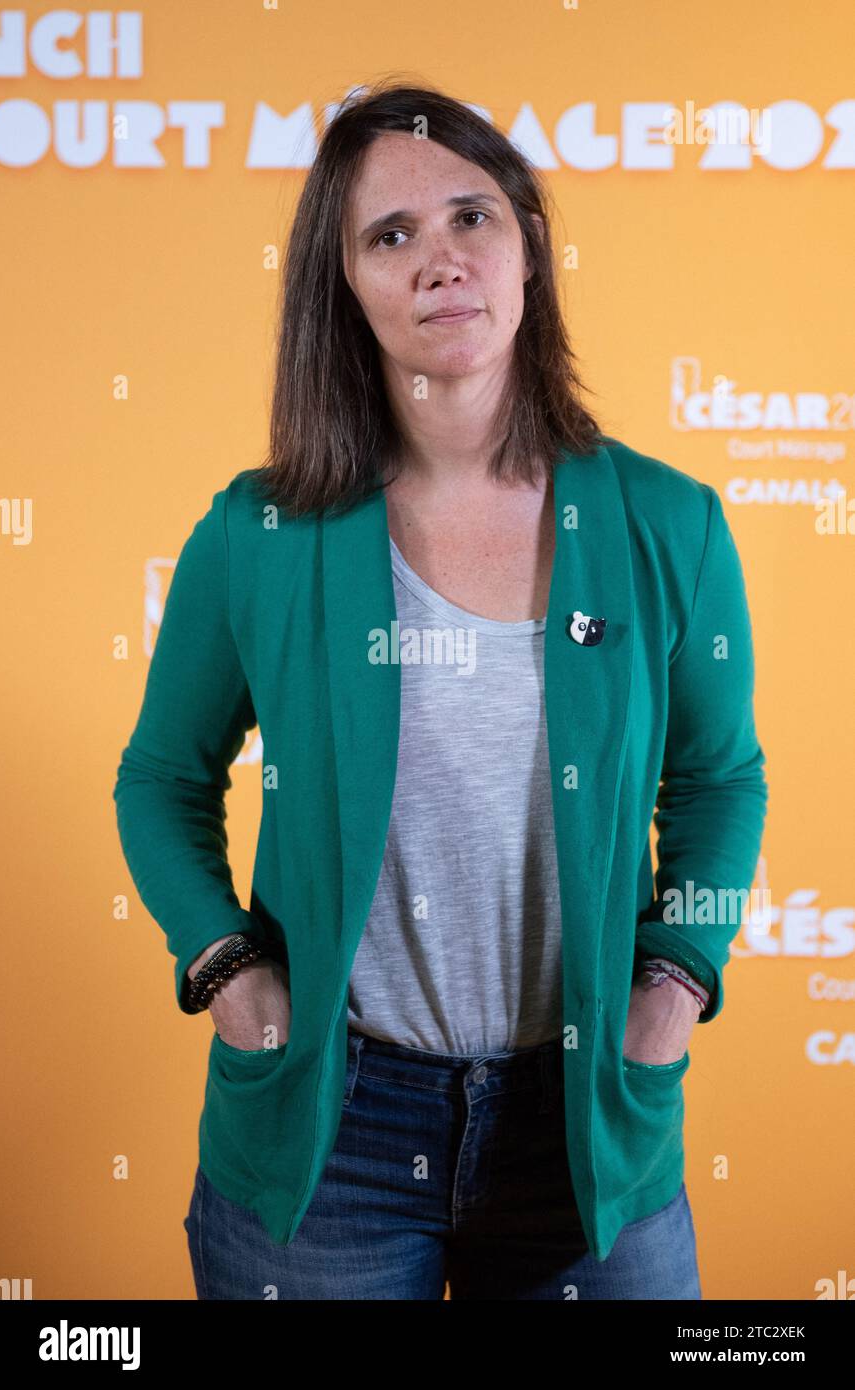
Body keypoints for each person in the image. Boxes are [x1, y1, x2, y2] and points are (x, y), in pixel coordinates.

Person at [113, 80, 768, 1300]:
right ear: (344, 287)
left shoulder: (667, 522)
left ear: (527, 246)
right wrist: (226, 973)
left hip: (585, 1122)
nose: (439, 261)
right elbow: (162, 776)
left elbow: (718, 777)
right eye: (389, 235)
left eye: (471, 216)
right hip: (332, 1128)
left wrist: (671, 984)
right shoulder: (259, 533)